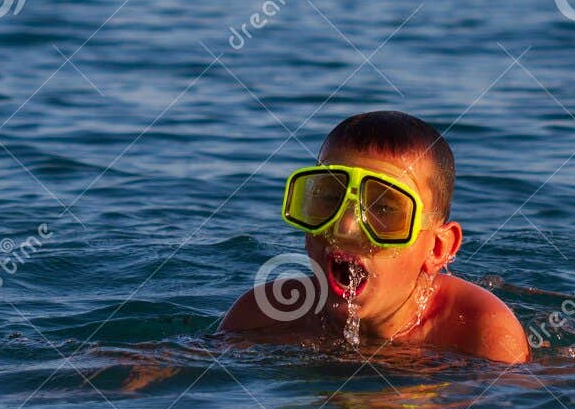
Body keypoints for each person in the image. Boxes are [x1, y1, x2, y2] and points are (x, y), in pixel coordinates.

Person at [221, 111, 530, 364]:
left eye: (384, 209)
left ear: (437, 248)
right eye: (329, 199)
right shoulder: (264, 315)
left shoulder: (480, 335)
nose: (345, 229)